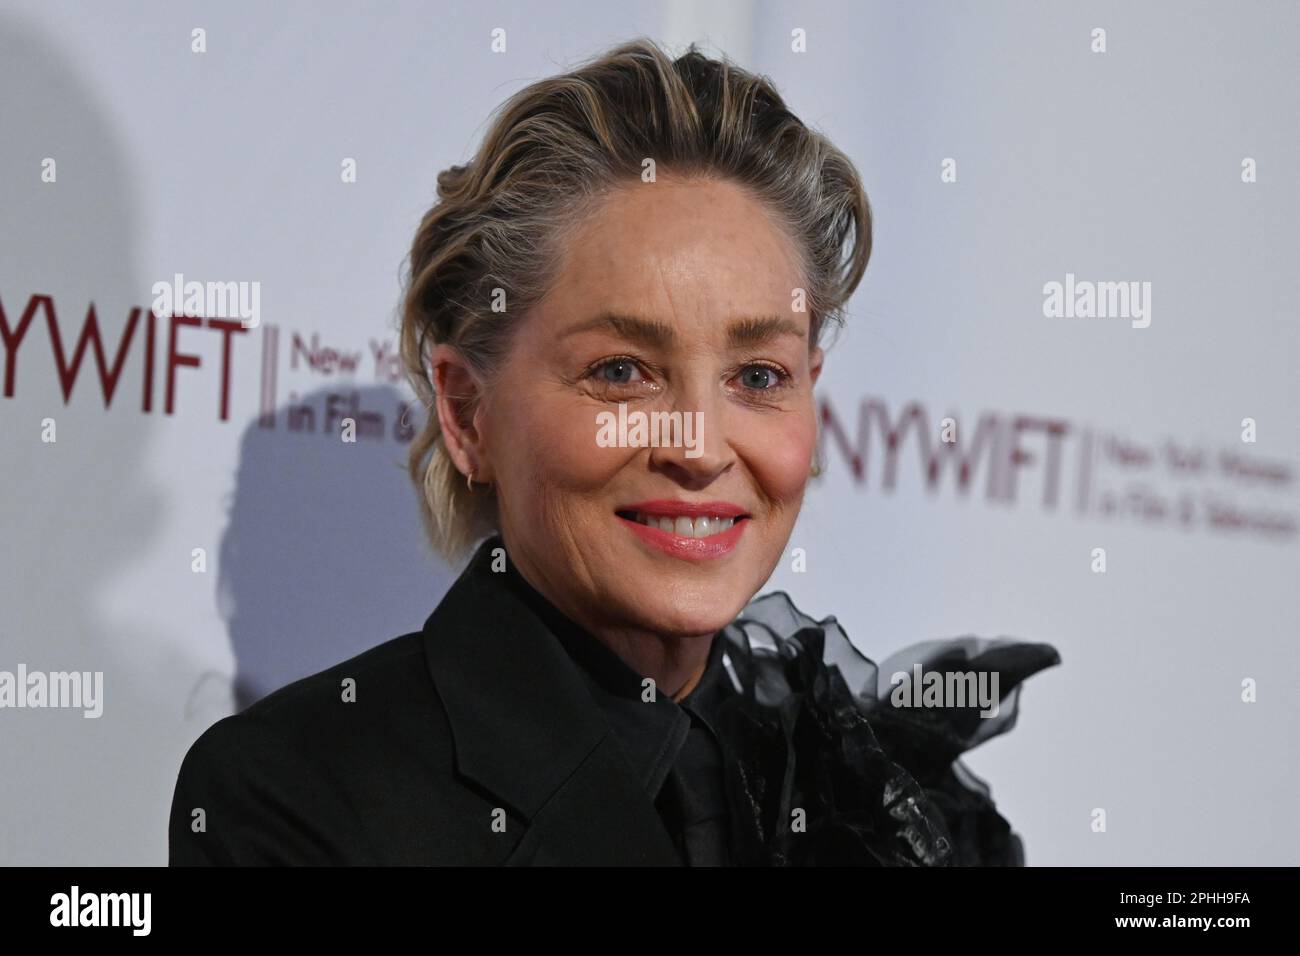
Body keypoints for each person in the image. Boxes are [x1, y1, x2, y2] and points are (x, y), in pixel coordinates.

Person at [169, 38, 1059, 866]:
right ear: (468, 410)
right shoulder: (299, 792)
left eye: (757, 376)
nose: (700, 447)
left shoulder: (896, 798)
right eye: (623, 371)